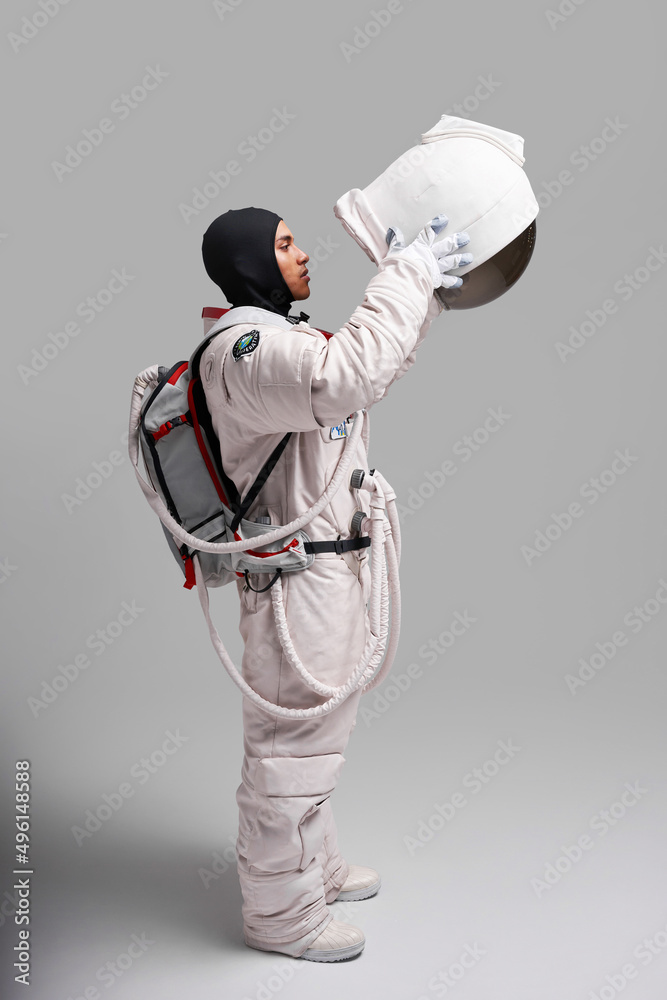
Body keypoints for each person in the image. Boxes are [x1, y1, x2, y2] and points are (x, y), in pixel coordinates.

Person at [200, 206, 473, 962]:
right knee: (291, 749)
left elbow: (367, 375)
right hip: (297, 577)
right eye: (284, 244)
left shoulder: (285, 343)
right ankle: (279, 916)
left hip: (327, 567)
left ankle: (311, 872)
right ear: (249, 260)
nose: (302, 253)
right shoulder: (246, 349)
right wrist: (406, 272)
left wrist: (424, 298)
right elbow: (346, 373)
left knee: (321, 735)